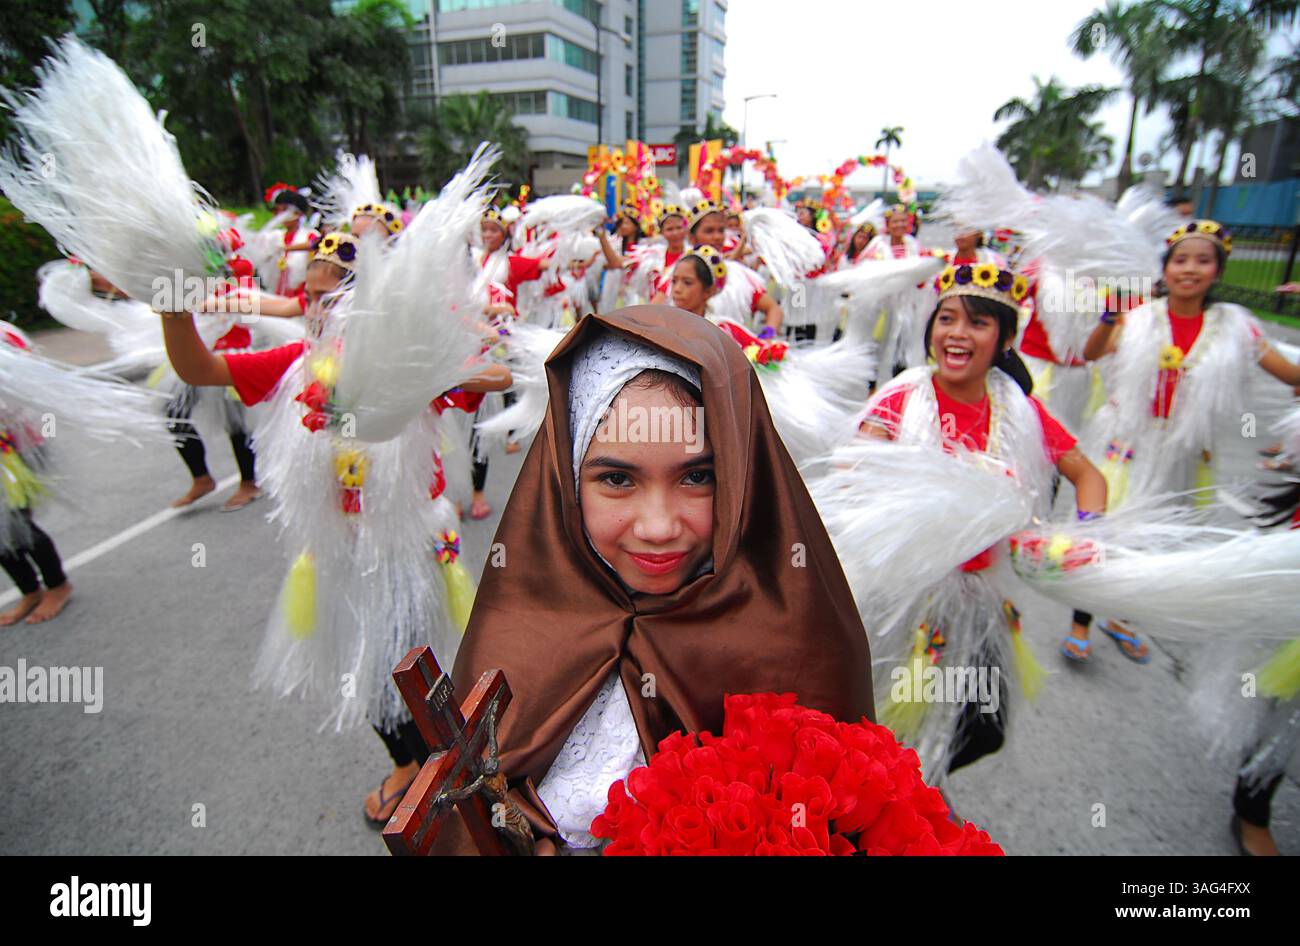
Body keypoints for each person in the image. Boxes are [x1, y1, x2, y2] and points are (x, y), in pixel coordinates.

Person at [429, 305, 874, 854]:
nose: (660, 527)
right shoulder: (517, 625)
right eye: (617, 478)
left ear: (743, 473)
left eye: (698, 477)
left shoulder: (800, 635)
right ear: (564, 483)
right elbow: (476, 797)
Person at [836, 261, 1106, 782]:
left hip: (978, 596)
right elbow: (853, 472)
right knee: (882, 715)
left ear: (1005, 339)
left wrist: (1080, 534)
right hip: (903, 593)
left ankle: (916, 782)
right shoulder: (901, 397)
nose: (957, 334)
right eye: (947, 319)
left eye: (978, 324)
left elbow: (1088, 474)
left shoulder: (1022, 412)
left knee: (985, 726)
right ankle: (887, 798)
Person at [1077, 219, 1300, 660]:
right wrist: (1108, 318)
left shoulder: (1236, 329)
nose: (1190, 269)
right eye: (1181, 260)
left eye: (1203, 260)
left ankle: (1121, 616)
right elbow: (1091, 353)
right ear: (1166, 269)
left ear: (1217, 271)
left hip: (1183, 454)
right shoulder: (1139, 318)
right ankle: (1080, 623)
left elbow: (1288, 373)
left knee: (1153, 539)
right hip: (1128, 446)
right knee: (1102, 531)